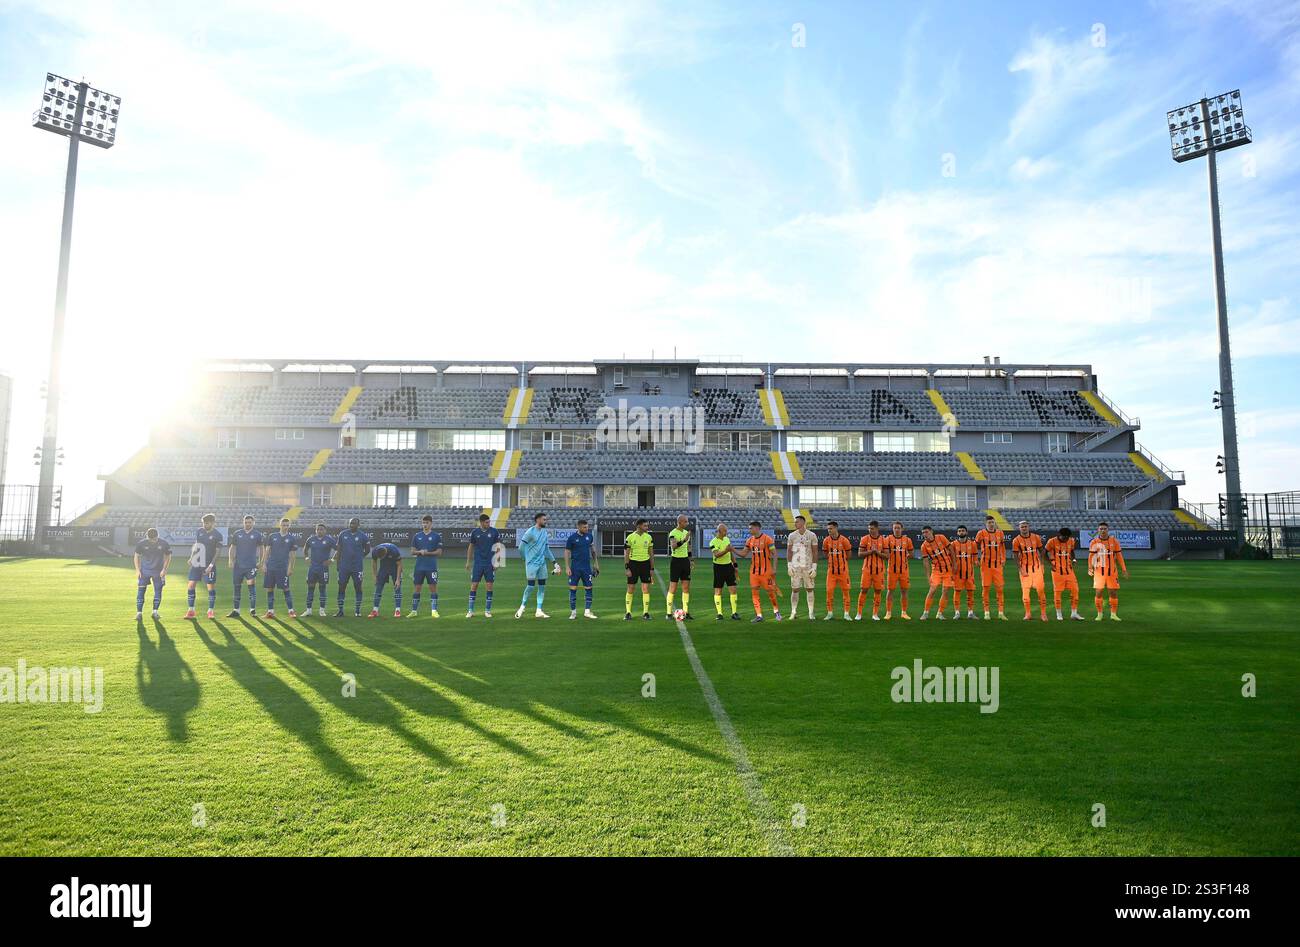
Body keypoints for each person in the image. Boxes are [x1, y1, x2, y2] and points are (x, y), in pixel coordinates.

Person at [735, 521, 781, 623]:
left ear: (757, 528)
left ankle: (776, 611)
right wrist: (732, 549)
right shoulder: (749, 540)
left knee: (771, 593)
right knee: (755, 593)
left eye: (751, 528)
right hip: (754, 572)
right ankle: (759, 615)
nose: (749, 530)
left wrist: (774, 569)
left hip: (766, 572)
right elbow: (743, 554)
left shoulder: (767, 539)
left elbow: (775, 554)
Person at [515, 512, 558, 619]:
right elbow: (521, 547)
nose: (546, 521)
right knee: (530, 586)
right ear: (538, 520)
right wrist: (525, 558)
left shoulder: (544, 532)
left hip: (542, 564)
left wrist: (554, 562)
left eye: (546, 519)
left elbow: (547, 549)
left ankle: (539, 610)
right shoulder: (530, 532)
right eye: (544, 519)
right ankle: (522, 607)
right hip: (531, 564)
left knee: (542, 586)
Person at [184, 513, 223, 620]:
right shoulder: (199, 531)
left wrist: (211, 565)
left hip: (208, 565)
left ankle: (210, 611)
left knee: (210, 587)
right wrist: (191, 557)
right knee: (191, 585)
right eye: (204, 523)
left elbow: (218, 552)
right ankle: (191, 610)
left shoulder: (218, 535)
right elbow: (196, 545)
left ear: (213, 523)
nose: (205, 525)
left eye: (207, 523)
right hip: (197, 563)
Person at [1088, 521, 1129, 621]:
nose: (1103, 531)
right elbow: (1091, 556)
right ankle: (1099, 614)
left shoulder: (1114, 541)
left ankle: (1113, 614)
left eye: (1104, 529)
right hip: (1099, 573)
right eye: (1101, 529)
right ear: (1098, 530)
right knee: (1098, 592)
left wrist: (1124, 569)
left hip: (1112, 572)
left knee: (1113, 593)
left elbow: (1119, 556)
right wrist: (1090, 568)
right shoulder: (1094, 542)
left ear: (1108, 530)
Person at [227, 515, 265, 617]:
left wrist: (261, 562)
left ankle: (252, 610)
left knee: (251, 588)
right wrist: (231, 560)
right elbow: (232, 547)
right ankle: (236, 610)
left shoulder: (257, 535)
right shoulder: (237, 533)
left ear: (253, 523)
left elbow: (262, 549)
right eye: (246, 522)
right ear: (243, 522)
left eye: (250, 522)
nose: (247, 524)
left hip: (251, 566)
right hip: (238, 566)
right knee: (237, 588)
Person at [465, 512, 501, 618]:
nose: (488, 523)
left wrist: (497, 561)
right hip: (478, 564)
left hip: (489, 564)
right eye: (486, 522)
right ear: (481, 522)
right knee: (474, 586)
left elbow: (498, 547)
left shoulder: (494, 532)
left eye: (489, 521)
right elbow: (471, 547)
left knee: (489, 586)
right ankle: (470, 611)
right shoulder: (475, 532)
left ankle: (487, 611)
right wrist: (468, 561)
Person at [1012, 520, 1049, 622]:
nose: (1024, 528)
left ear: (1029, 527)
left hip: (1037, 568)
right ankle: (1028, 614)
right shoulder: (1016, 540)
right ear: (1019, 528)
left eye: (1025, 526)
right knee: (1026, 593)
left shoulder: (1036, 537)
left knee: (1041, 591)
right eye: (1022, 527)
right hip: (1025, 569)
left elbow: (1042, 550)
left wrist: (1041, 564)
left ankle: (1043, 614)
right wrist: (1020, 569)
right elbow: (1015, 556)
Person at [1045, 527, 1085, 621]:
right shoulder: (1052, 541)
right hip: (1057, 571)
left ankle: (1074, 613)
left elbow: (1071, 551)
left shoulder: (1071, 540)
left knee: (1075, 590)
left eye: (1067, 537)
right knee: (1058, 592)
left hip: (1069, 570)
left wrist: (1074, 559)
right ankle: (1059, 614)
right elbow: (1044, 553)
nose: (1065, 539)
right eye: (1064, 537)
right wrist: (1050, 564)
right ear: (1059, 535)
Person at [263, 518, 299, 619]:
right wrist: (264, 564)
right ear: (280, 525)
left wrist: (290, 568)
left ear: (289, 526)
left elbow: (292, 555)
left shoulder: (291, 538)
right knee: (270, 589)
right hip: (271, 567)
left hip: (283, 568)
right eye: (283, 525)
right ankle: (270, 611)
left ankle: (291, 611)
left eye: (287, 525)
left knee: (286, 589)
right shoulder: (272, 536)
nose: (285, 527)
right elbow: (267, 551)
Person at [334, 517, 371, 617]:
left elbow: (367, 549)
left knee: (358, 587)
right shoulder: (343, 534)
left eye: (354, 523)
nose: (351, 525)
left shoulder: (363, 536)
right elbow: (339, 550)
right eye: (350, 523)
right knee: (341, 587)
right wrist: (338, 564)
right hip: (344, 566)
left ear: (358, 525)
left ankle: (358, 611)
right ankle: (340, 611)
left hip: (357, 567)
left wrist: (360, 556)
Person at [974, 515, 1008, 620]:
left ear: (995, 523)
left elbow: (1002, 547)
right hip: (985, 566)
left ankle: (1001, 612)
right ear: (986, 523)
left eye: (992, 522)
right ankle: (987, 613)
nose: (991, 524)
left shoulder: (1000, 533)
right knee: (986, 589)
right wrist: (975, 558)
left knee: (1000, 589)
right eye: (989, 522)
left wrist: (1003, 558)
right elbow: (975, 546)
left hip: (997, 565)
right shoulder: (981, 533)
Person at [565, 519, 600, 620]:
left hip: (586, 568)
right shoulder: (572, 538)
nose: (587, 528)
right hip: (575, 568)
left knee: (589, 589)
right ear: (579, 527)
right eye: (584, 527)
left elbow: (593, 551)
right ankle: (573, 613)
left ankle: (587, 612)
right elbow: (567, 552)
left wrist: (596, 563)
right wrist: (567, 567)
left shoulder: (589, 536)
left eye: (587, 527)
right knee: (573, 590)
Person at [409, 515, 443, 618]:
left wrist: (428, 553)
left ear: (431, 523)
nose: (425, 525)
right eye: (423, 523)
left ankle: (434, 611)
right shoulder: (417, 536)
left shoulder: (437, 536)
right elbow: (412, 551)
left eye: (427, 523)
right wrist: (420, 551)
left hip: (431, 567)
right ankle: (414, 611)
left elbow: (439, 552)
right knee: (417, 588)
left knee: (433, 588)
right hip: (419, 567)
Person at [134, 527, 172, 620]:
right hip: (144, 571)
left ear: (157, 536)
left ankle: (155, 612)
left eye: (154, 539)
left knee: (158, 591)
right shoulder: (141, 544)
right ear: (147, 537)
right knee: (141, 591)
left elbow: (168, 556)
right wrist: (138, 570)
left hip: (158, 572)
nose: (152, 541)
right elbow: (136, 556)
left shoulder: (164, 543)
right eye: (150, 539)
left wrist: (164, 569)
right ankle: (139, 613)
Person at [786, 515, 818, 620]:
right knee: (795, 589)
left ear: (803, 523)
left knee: (810, 589)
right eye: (795, 522)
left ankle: (811, 612)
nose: (795, 523)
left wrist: (814, 567)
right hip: (795, 567)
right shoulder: (791, 536)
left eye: (797, 522)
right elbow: (789, 551)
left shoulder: (812, 535)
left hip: (808, 567)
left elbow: (815, 551)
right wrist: (789, 565)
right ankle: (793, 612)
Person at [855, 520, 888, 621]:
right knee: (864, 590)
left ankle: (875, 614)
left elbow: (887, 556)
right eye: (869, 528)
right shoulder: (865, 539)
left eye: (872, 528)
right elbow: (859, 554)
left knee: (878, 591)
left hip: (879, 570)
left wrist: (877, 553)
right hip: (867, 570)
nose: (870, 530)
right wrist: (871, 551)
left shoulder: (883, 540)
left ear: (877, 528)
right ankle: (859, 613)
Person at [821, 520, 853, 620]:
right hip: (831, 572)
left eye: (831, 528)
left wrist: (842, 563)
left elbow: (849, 554)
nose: (829, 530)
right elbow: (825, 553)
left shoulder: (844, 540)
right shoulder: (826, 540)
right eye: (828, 529)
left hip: (843, 572)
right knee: (829, 591)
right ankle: (830, 613)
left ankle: (846, 613)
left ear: (836, 528)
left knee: (846, 592)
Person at [623, 519, 655, 621]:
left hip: (645, 565)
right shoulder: (630, 537)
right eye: (645, 526)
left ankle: (645, 612)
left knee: (645, 589)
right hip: (633, 564)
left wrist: (652, 568)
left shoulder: (649, 537)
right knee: (631, 588)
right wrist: (627, 568)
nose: (647, 527)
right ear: (639, 526)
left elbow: (651, 554)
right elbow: (626, 554)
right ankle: (628, 612)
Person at [919, 526, 952, 621]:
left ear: (931, 532)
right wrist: (928, 575)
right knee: (932, 590)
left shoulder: (941, 537)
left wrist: (954, 565)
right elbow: (925, 562)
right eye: (923, 533)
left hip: (948, 569)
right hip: (936, 570)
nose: (925, 534)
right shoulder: (924, 546)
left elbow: (951, 550)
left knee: (945, 591)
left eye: (926, 532)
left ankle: (940, 613)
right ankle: (925, 613)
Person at [303, 523, 336, 617]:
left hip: (323, 568)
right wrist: (306, 558)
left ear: (325, 531)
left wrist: (332, 560)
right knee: (310, 588)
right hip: (313, 568)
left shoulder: (329, 540)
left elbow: (338, 549)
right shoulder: (311, 539)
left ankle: (322, 610)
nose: (319, 531)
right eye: (318, 529)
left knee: (322, 588)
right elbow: (305, 549)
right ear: (315, 530)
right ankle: (308, 610)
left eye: (321, 529)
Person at [709, 523, 740, 620]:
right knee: (718, 590)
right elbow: (717, 555)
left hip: (728, 567)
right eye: (725, 531)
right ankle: (719, 613)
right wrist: (727, 550)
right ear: (719, 531)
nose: (726, 532)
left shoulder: (727, 539)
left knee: (733, 590)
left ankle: (734, 613)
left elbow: (730, 553)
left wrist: (735, 565)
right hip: (718, 568)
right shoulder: (713, 542)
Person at [882, 521, 913, 620]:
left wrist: (905, 558)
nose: (896, 529)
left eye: (898, 528)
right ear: (892, 529)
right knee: (890, 591)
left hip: (904, 571)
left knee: (904, 591)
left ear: (902, 529)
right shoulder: (887, 539)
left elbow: (911, 553)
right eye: (895, 528)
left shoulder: (907, 540)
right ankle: (888, 612)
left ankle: (904, 612)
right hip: (892, 570)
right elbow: (886, 554)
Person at [665, 514, 694, 619]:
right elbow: (674, 546)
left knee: (686, 587)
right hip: (676, 561)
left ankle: (686, 612)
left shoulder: (686, 533)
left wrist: (691, 560)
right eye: (685, 521)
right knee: (673, 587)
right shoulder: (673, 533)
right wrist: (684, 540)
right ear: (680, 522)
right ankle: (668, 613)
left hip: (685, 561)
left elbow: (689, 547)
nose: (687, 523)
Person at [949, 525, 978, 619]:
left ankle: (970, 612)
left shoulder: (972, 544)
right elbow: (950, 559)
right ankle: (957, 612)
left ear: (966, 532)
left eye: (963, 530)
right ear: (957, 533)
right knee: (957, 592)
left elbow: (975, 556)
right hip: (957, 574)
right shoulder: (953, 544)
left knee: (970, 592)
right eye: (959, 531)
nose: (961, 532)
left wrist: (976, 561)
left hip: (969, 573)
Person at [369, 542, 404, 618]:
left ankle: (397, 610)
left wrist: (398, 579)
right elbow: (374, 562)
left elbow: (399, 564)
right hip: (383, 568)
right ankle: (375, 610)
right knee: (378, 587)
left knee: (397, 587)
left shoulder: (394, 550)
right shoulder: (375, 551)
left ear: (386, 553)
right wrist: (375, 576)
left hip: (395, 567)